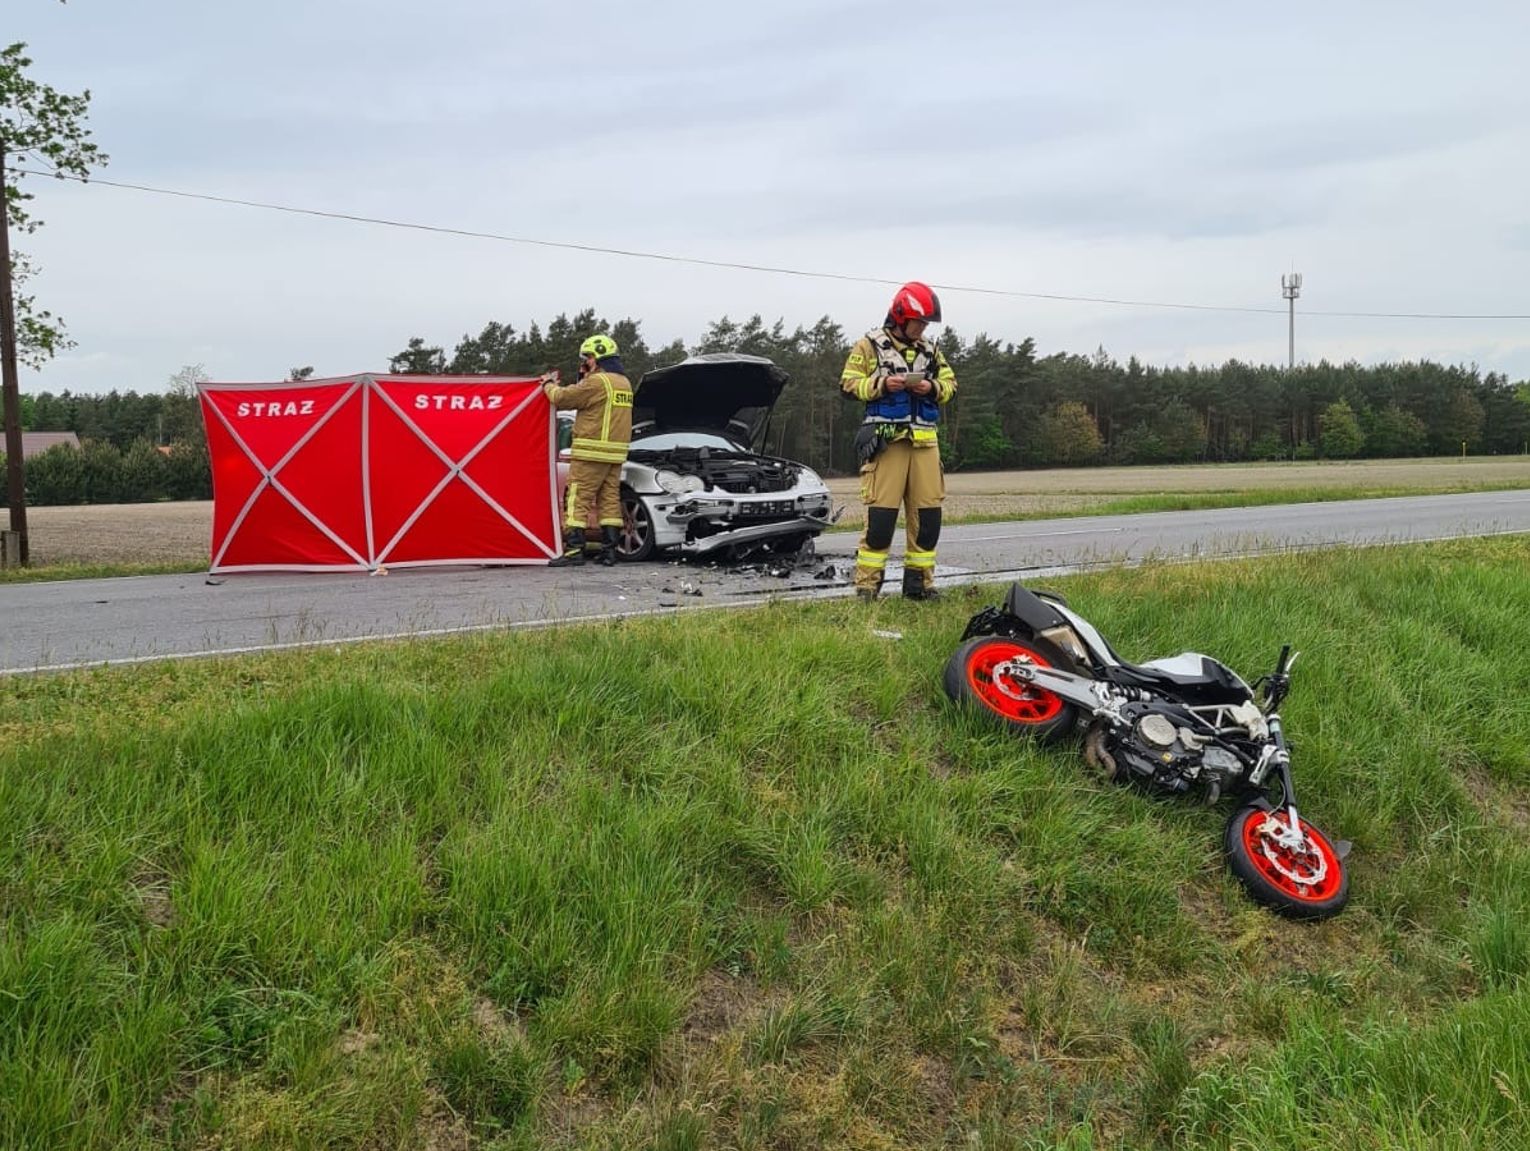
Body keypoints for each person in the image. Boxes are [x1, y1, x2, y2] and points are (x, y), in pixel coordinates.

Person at [839, 281, 958, 601]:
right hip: (887, 442)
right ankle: (867, 587)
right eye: (919, 322)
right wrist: (883, 384)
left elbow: (951, 386)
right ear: (900, 316)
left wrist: (930, 388)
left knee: (928, 520)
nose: (922, 329)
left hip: (925, 444)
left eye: (926, 324)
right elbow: (848, 384)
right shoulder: (868, 345)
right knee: (881, 522)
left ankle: (919, 587)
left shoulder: (931, 351)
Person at [541, 334, 633, 566]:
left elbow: (562, 398)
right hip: (615, 453)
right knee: (609, 500)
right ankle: (609, 552)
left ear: (597, 357)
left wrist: (547, 384)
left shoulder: (596, 382)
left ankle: (574, 551)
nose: (586, 362)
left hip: (591, 452)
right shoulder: (624, 383)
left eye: (588, 358)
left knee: (576, 499)